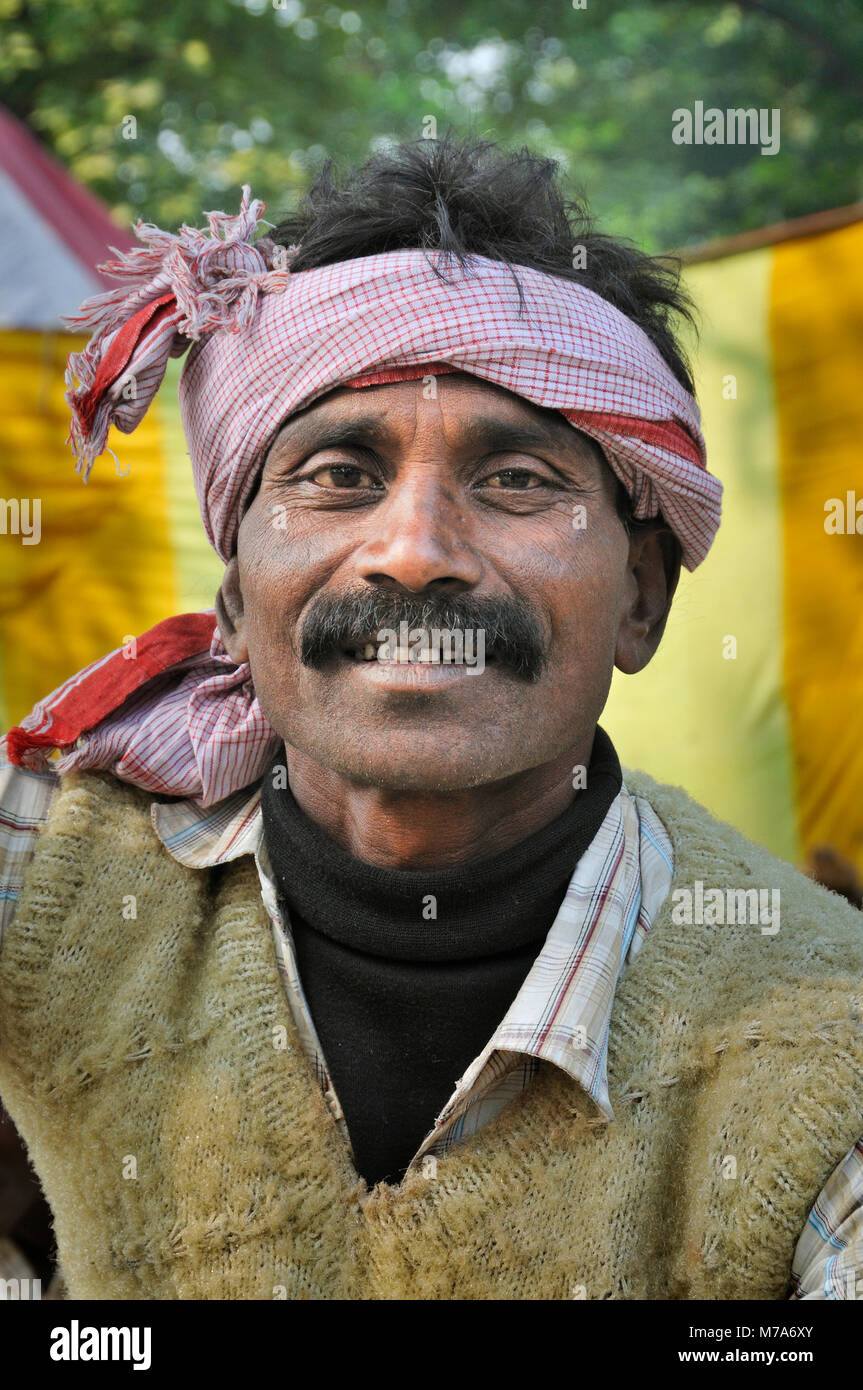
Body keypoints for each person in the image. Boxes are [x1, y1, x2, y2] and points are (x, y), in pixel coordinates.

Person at [0, 135, 860, 1301]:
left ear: (642, 600)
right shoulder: (47, 871)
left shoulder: (826, 1036)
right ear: (238, 601)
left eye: (516, 480)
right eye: (337, 474)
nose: (413, 552)